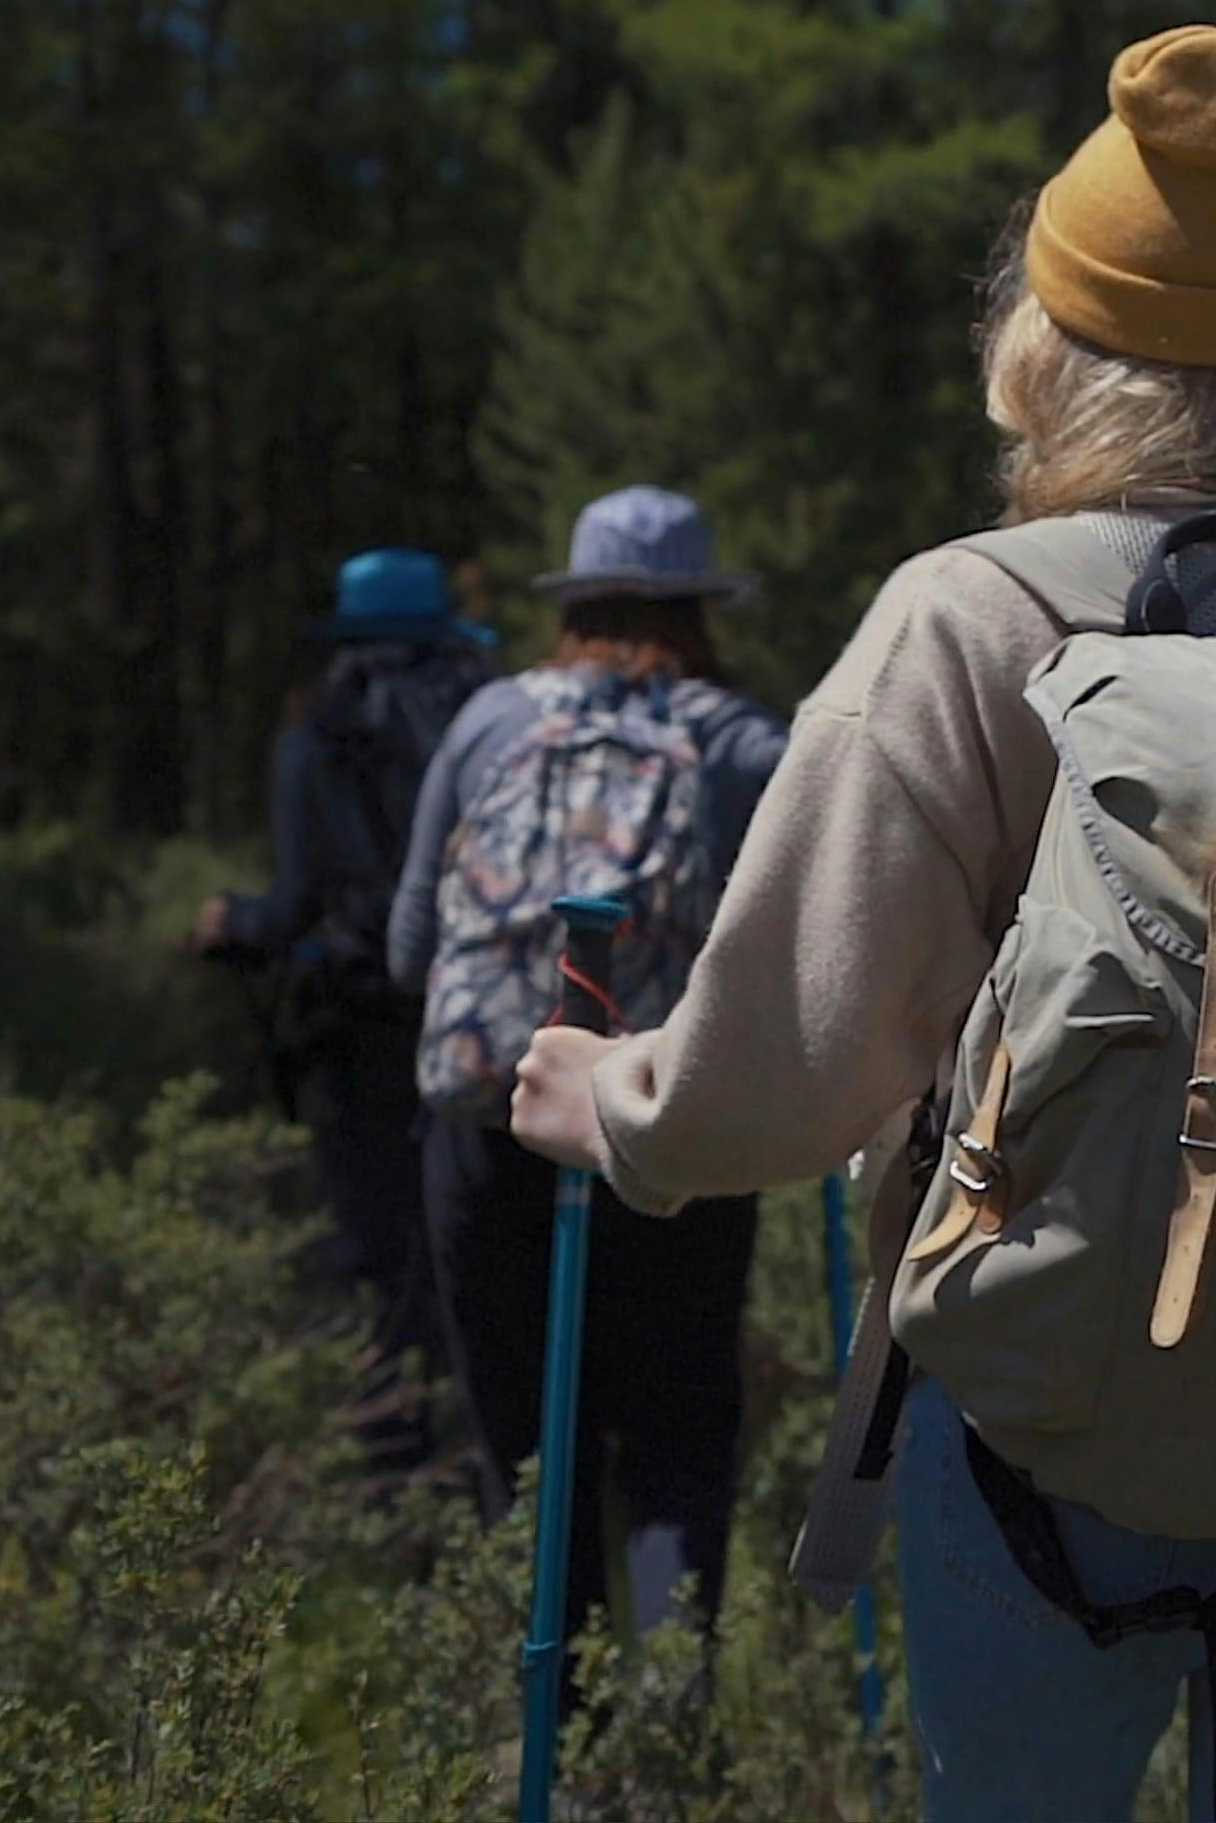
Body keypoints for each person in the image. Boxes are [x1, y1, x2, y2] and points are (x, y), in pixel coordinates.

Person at [502, 26, 1216, 1821]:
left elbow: (787, 1071)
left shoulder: (968, 620)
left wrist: (613, 1113)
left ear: (1049, 348)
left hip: (1046, 1436)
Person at [389, 485, 787, 1654]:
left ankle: (553, 1739)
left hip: (492, 1122)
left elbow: (411, 946)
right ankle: (662, 1744)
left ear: (576, 601)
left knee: (526, 1445)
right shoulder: (749, 746)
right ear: (701, 610)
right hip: (666, 1128)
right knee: (672, 1446)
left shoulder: (489, 722)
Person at [192, 546, 494, 1478]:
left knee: (370, 1237)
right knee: (468, 1235)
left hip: (353, 1017)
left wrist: (228, 924)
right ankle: (484, 1446)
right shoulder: (483, 724)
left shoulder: (315, 737)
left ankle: (394, 1454)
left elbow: (291, 906)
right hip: (471, 1015)